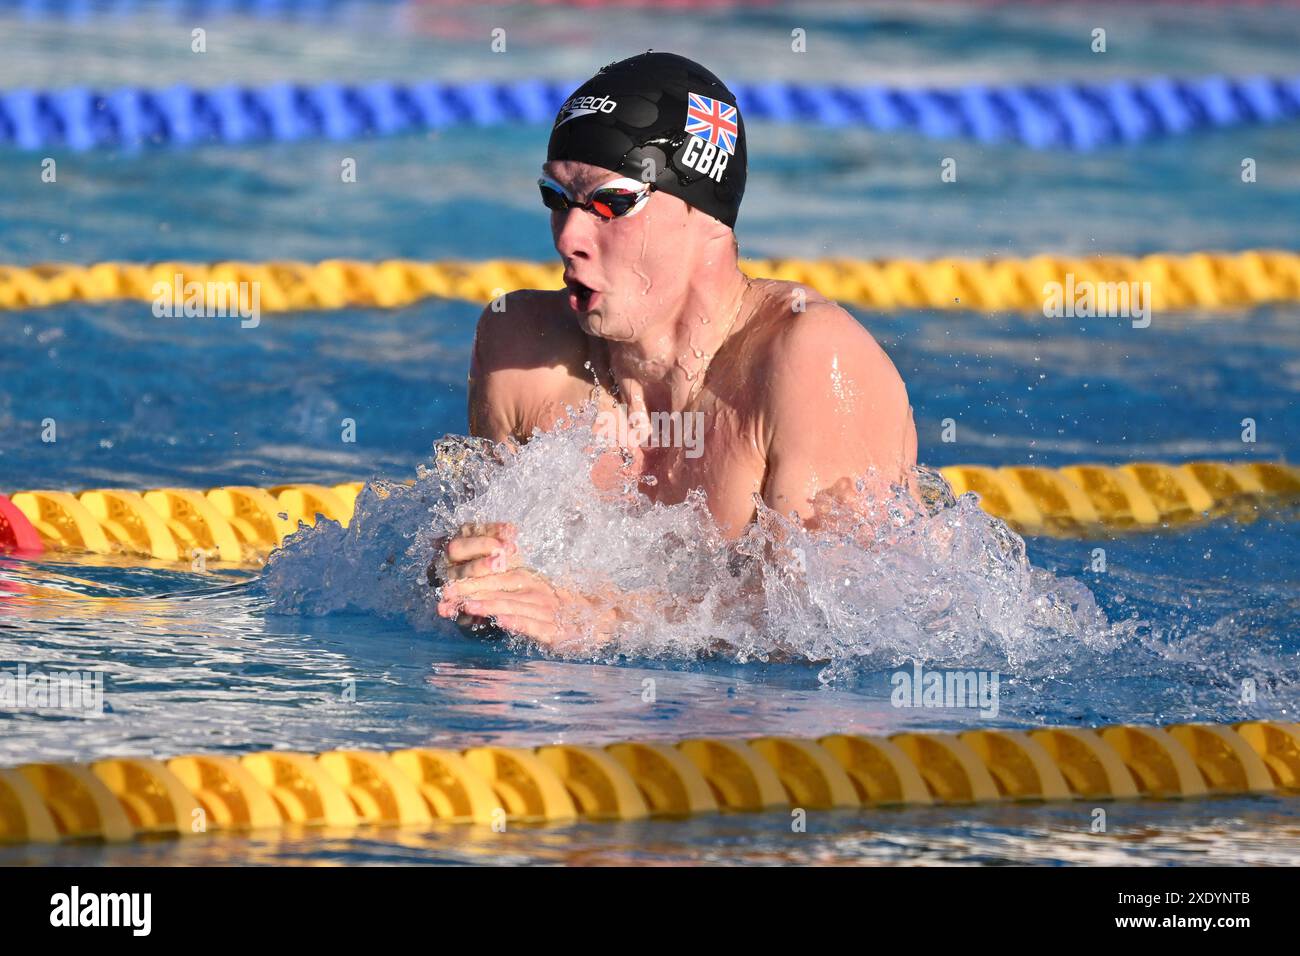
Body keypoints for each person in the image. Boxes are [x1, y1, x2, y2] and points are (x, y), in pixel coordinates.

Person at [432, 51, 917, 646]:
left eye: (609, 203)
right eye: (556, 198)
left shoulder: (811, 359)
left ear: (706, 216)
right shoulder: (522, 350)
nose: (569, 236)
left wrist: (600, 619)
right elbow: (485, 566)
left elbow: (833, 627)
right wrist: (458, 573)